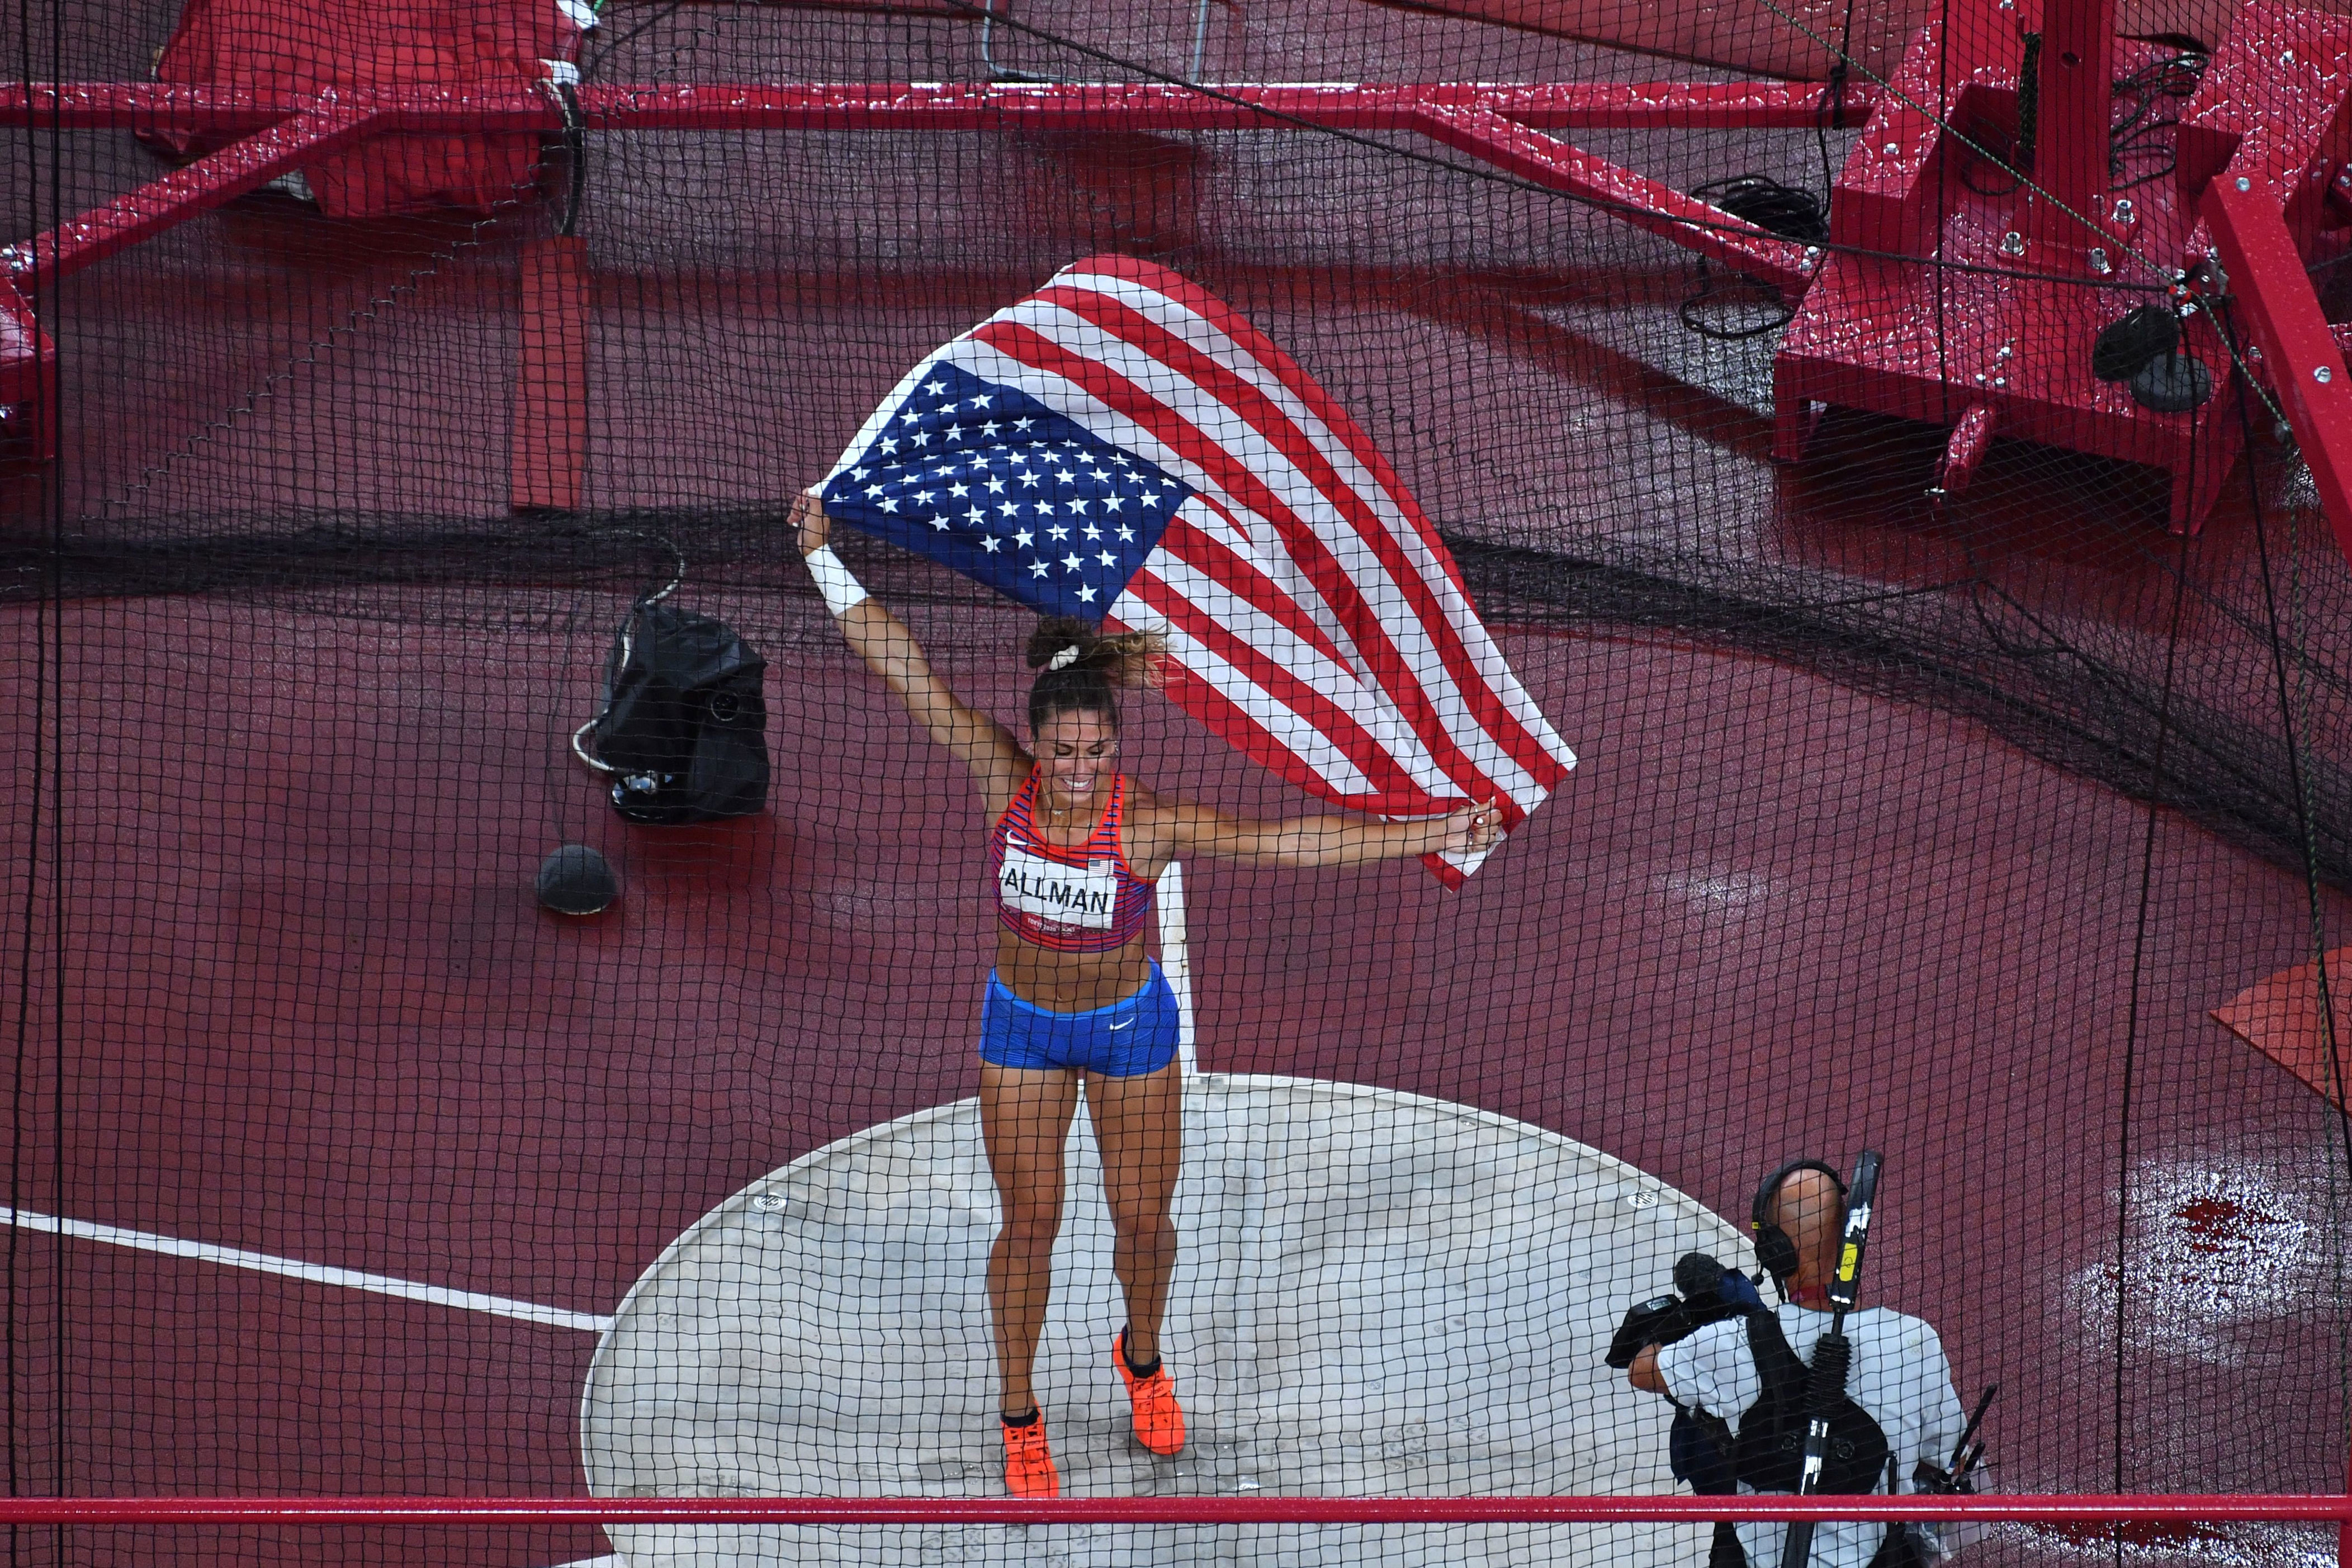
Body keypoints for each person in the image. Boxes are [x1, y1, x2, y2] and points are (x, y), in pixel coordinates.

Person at [793, 493, 1505, 1498]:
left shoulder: (1148, 825)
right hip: (1024, 1029)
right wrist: (823, 557)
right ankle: (1019, 1413)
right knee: (1028, 1222)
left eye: (1096, 753)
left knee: (1143, 1222)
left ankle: (1140, 1360)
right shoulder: (1002, 783)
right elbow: (903, 666)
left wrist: (1431, 831)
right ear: (1035, 742)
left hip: (1129, 1030)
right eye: (1063, 753)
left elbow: (1284, 843)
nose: (1078, 772)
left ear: (1114, 746)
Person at [1627, 1163, 1968, 1568]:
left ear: (1773, 1251)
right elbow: (1953, 1457)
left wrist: (1703, 1317)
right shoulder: (1915, 1339)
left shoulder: (1731, 1341)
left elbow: (1640, 1368)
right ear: (1848, 1237)